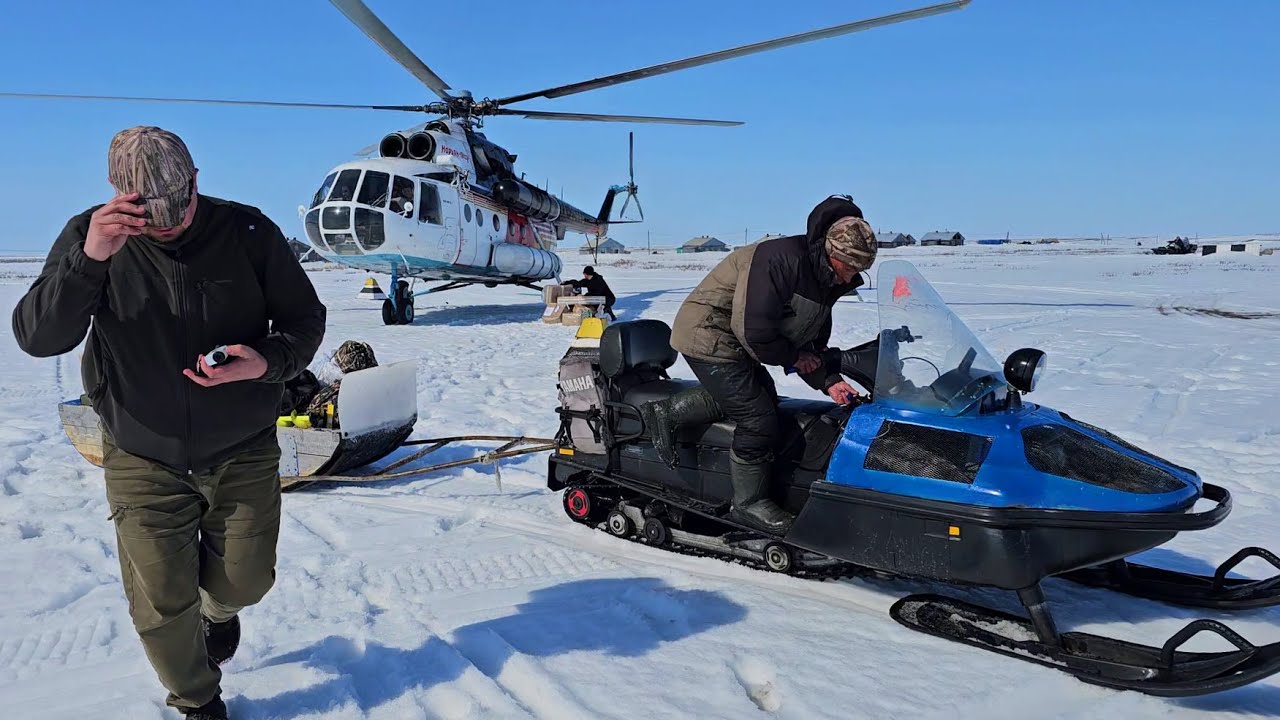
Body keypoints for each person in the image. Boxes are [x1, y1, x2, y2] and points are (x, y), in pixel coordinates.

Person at [12, 126, 327, 720]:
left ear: (195, 181)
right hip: (142, 451)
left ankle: (219, 612)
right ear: (117, 193)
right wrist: (91, 260)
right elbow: (38, 337)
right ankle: (197, 698)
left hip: (242, 445)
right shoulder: (88, 236)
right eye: (147, 215)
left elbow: (304, 320)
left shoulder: (248, 231)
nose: (165, 225)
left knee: (245, 581)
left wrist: (266, 362)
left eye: (177, 208)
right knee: (160, 598)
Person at [650, 195, 877, 534]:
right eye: (850, 268)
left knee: (762, 397)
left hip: (739, 340)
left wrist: (829, 380)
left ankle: (667, 411)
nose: (851, 277)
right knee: (757, 418)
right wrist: (794, 357)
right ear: (832, 253)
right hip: (707, 331)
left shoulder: (824, 276)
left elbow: (808, 340)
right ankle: (748, 504)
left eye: (859, 270)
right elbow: (755, 331)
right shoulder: (778, 260)